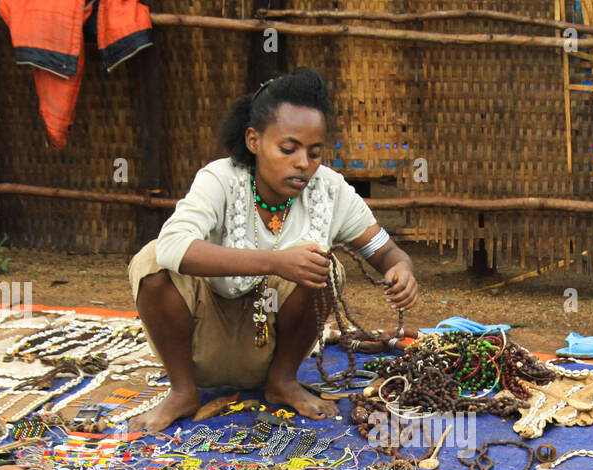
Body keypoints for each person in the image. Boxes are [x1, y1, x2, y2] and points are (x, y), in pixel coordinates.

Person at [126, 67, 419, 432]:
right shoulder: (220, 179)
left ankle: (282, 382)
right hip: (200, 344)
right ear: (253, 140)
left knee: (324, 268)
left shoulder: (329, 190)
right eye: (288, 148)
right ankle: (182, 391)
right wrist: (275, 262)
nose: (303, 163)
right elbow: (173, 246)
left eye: (314, 152)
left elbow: (385, 251)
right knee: (152, 262)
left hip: (268, 344)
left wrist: (401, 269)